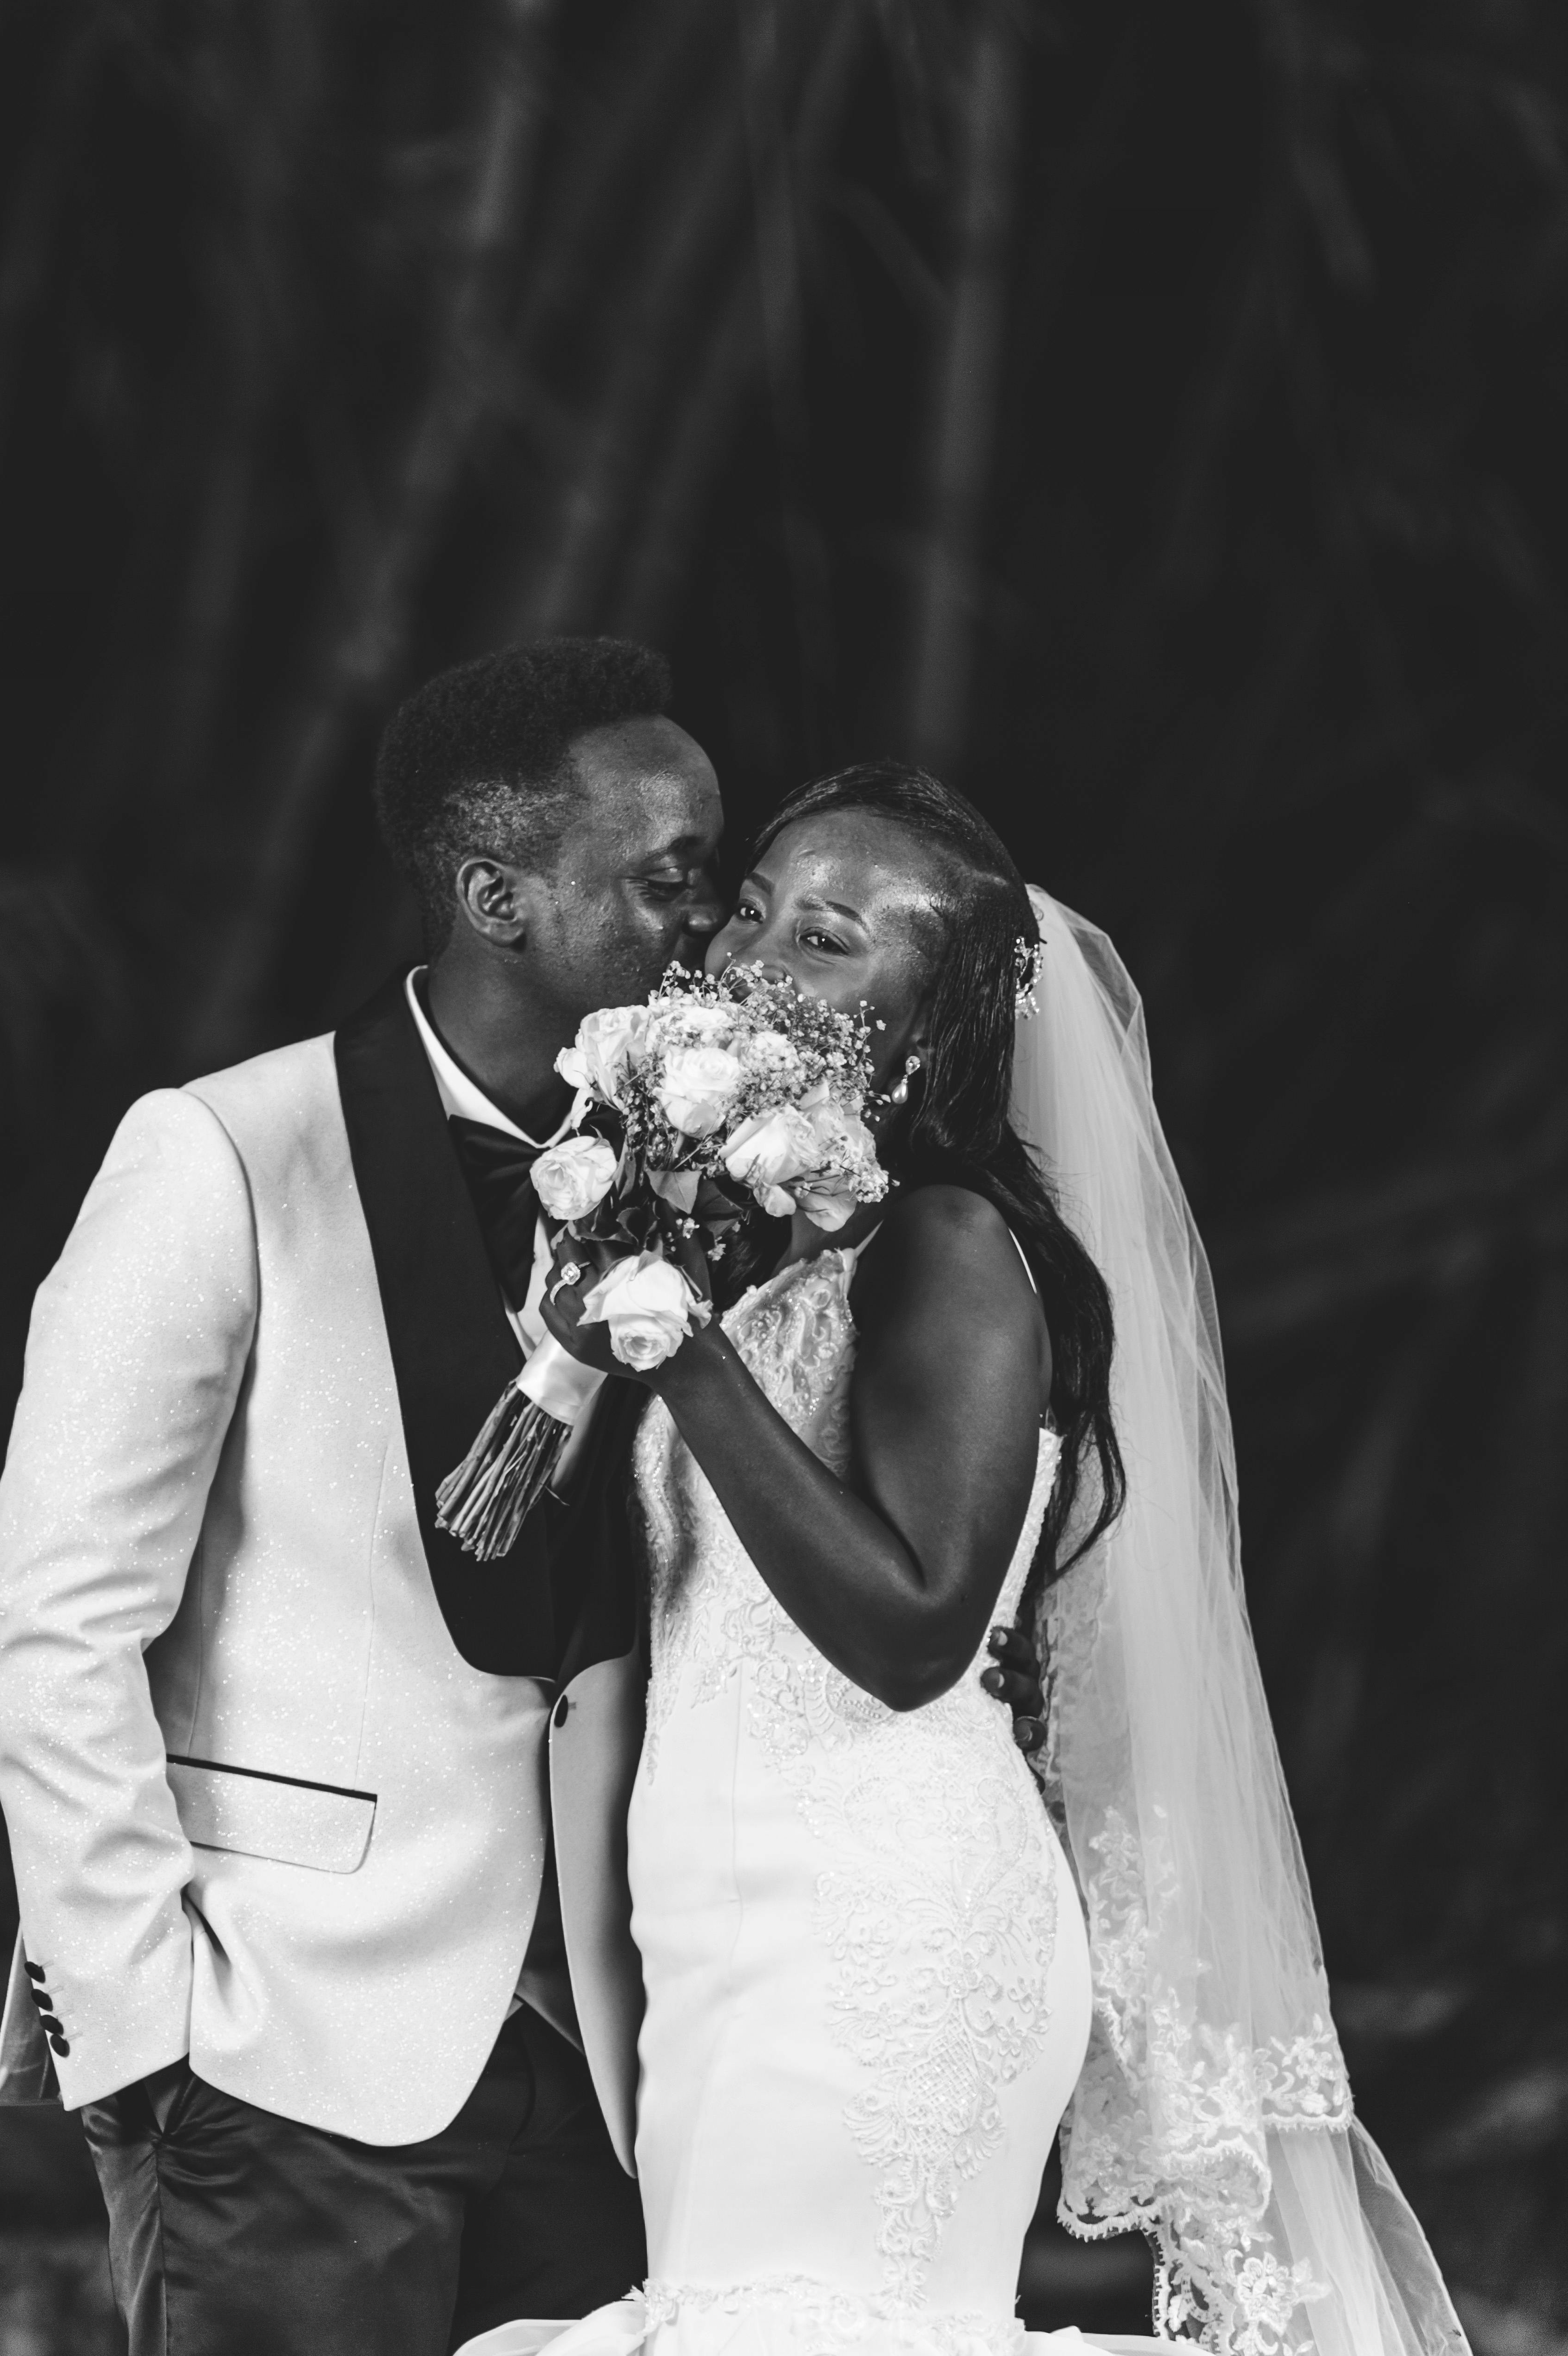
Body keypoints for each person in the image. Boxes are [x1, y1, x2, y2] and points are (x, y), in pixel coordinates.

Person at [0, 645, 1044, 2356]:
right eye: (675, 883)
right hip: (282, 2047)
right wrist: (139, 2031)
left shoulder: (738, 1186)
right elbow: (58, 1620)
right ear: (496, 893)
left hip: (617, 2057)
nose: (710, 936)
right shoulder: (222, 1154)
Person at [480, 761, 1467, 2356]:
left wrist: (678, 1356)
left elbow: (918, 1627)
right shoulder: (773, 1260)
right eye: (754, 914)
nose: (749, 961)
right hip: (727, 1905)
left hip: (876, 1914)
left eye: (827, 937)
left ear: (932, 1022)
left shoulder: (949, 1245)